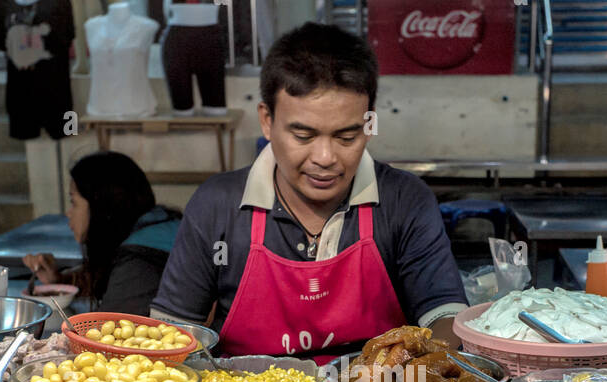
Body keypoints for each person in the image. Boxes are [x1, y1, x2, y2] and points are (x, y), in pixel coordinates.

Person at [152, 22, 467, 362]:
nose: (325, 158)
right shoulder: (218, 206)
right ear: (267, 120)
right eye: (303, 136)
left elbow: (445, 317)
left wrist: (407, 367)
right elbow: (174, 336)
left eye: (347, 137)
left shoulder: (404, 200)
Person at [25, 151, 181, 314]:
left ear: (100, 208)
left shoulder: (139, 263)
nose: (68, 213)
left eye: (74, 202)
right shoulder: (158, 223)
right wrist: (59, 280)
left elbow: (107, 332)